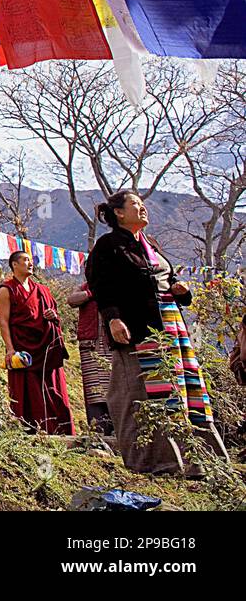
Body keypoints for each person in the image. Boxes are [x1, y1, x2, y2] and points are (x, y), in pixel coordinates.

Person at [86, 190, 227, 476]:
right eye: (135, 205)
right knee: (141, 392)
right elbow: (101, 286)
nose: (143, 209)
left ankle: (199, 462)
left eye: (142, 204)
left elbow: (168, 277)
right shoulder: (108, 245)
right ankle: (154, 463)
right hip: (137, 328)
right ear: (119, 213)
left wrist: (180, 289)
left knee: (182, 390)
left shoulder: (150, 244)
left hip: (170, 325)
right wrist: (113, 319)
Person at [0, 251, 74, 435]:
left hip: (45, 347)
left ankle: (59, 429)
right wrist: (10, 349)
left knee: (53, 388)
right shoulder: (6, 290)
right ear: (14, 264)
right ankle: (29, 430)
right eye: (25, 260)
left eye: (31, 260)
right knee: (26, 391)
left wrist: (53, 317)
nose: (30, 263)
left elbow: (54, 316)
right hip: (24, 350)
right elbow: (3, 321)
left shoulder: (42, 290)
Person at [66, 279, 113, 435]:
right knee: (94, 391)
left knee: (116, 389)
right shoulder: (85, 287)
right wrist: (92, 292)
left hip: (114, 344)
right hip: (90, 344)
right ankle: (98, 431)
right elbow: (71, 300)